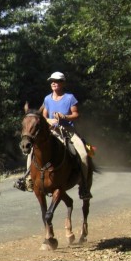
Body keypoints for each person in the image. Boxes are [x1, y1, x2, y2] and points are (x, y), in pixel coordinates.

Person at [14, 71, 92, 199]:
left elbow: (76, 115)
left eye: (56, 81)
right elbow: (43, 116)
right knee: (32, 151)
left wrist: (65, 116)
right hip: (51, 131)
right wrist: (48, 120)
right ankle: (28, 179)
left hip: (68, 131)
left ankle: (83, 186)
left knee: (83, 154)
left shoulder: (70, 97)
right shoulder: (47, 99)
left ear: (62, 83)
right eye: (52, 81)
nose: (53, 83)